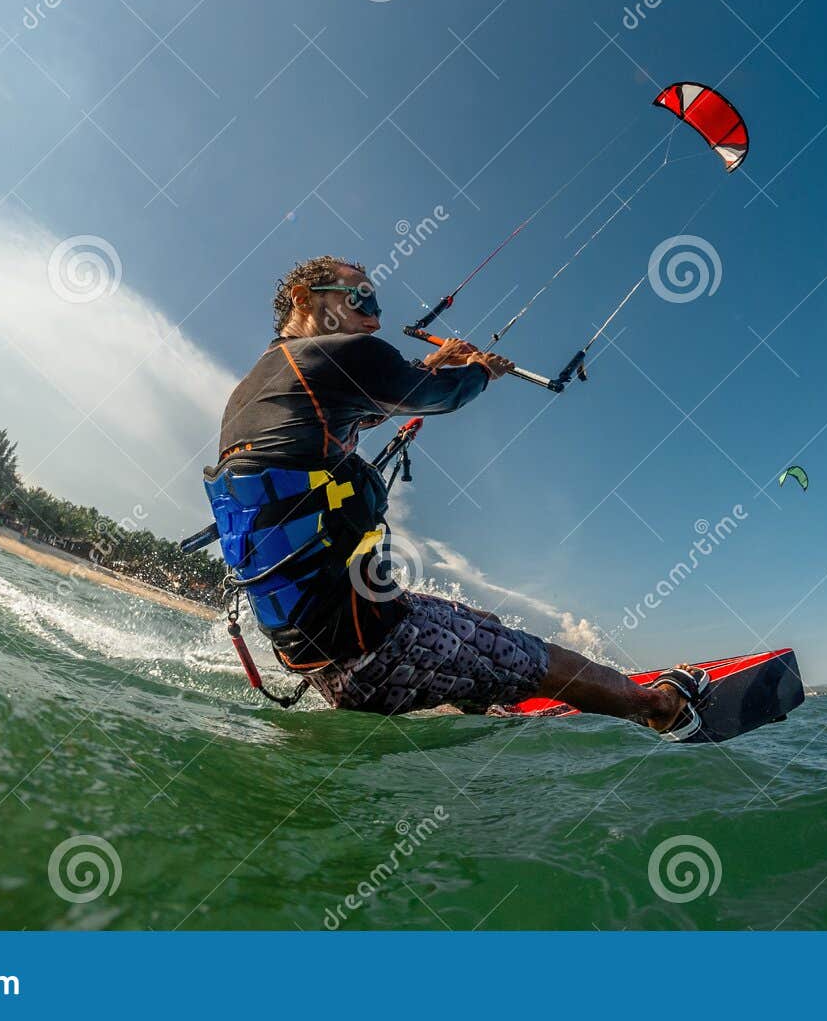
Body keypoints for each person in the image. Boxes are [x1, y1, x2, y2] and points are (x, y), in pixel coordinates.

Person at [203, 255, 709, 739]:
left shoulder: (253, 391)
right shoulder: (341, 354)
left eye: (377, 306)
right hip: (375, 648)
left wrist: (441, 358)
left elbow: (367, 406)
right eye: (361, 300)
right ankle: (660, 709)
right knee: (542, 661)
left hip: (312, 653)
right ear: (303, 298)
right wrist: (481, 372)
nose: (375, 321)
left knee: (483, 623)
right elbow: (433, 395)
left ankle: (487, 696)